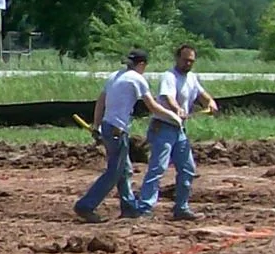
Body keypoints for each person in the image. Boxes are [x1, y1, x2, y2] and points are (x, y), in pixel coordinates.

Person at [136, 42, 216, 220]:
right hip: (163, 127)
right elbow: (167, 97)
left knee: (187, 168)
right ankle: (145, 208)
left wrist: (210, 102)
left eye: (191, 61)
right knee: (158, 168)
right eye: (185, 60)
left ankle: (181, 207)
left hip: (179, 130)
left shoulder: (192, 78)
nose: (188, 64)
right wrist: (177, 109)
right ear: (177, 58)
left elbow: (202, 94)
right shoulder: (169, 76)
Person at [75, 48, 153, 221]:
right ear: (142, 64)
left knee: (124, 170)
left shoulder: (114, 76)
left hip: (108, 127)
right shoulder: (138, 79)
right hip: (117, 130)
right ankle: (86, 205)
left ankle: (129, 207)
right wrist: (171, 117)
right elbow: (152, 106)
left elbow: (100, 102)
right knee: (114, 172)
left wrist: (96, 125)